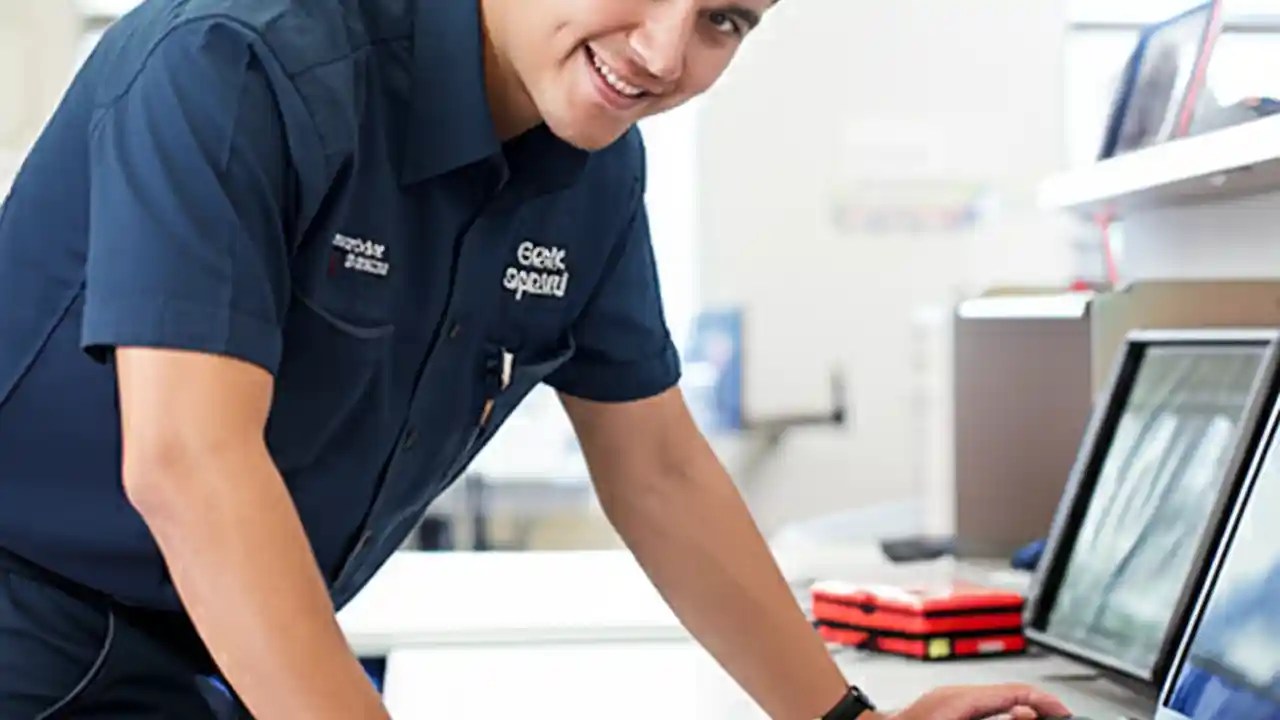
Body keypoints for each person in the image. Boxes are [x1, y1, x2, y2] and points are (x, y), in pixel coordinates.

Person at [0, 0, 1074, 718]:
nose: (662, 53)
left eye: (722, 21)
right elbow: (189, 464)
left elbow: (654, 468)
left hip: (217, 662)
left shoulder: (593, 170)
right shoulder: (236, 59)